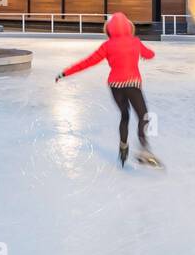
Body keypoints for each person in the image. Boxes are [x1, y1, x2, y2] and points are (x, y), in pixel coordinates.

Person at [55, 12, 161, 168]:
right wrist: (144, 54)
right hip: (132, 85)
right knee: (144, 116)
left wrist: (64, 72)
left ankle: (123, 146)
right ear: (127, 26)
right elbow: (150, 54)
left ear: (110, 29)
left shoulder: (107, 45)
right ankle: (144, 149)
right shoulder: (135, 41)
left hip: (115, 87)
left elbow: (87, 62)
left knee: (125, 116)